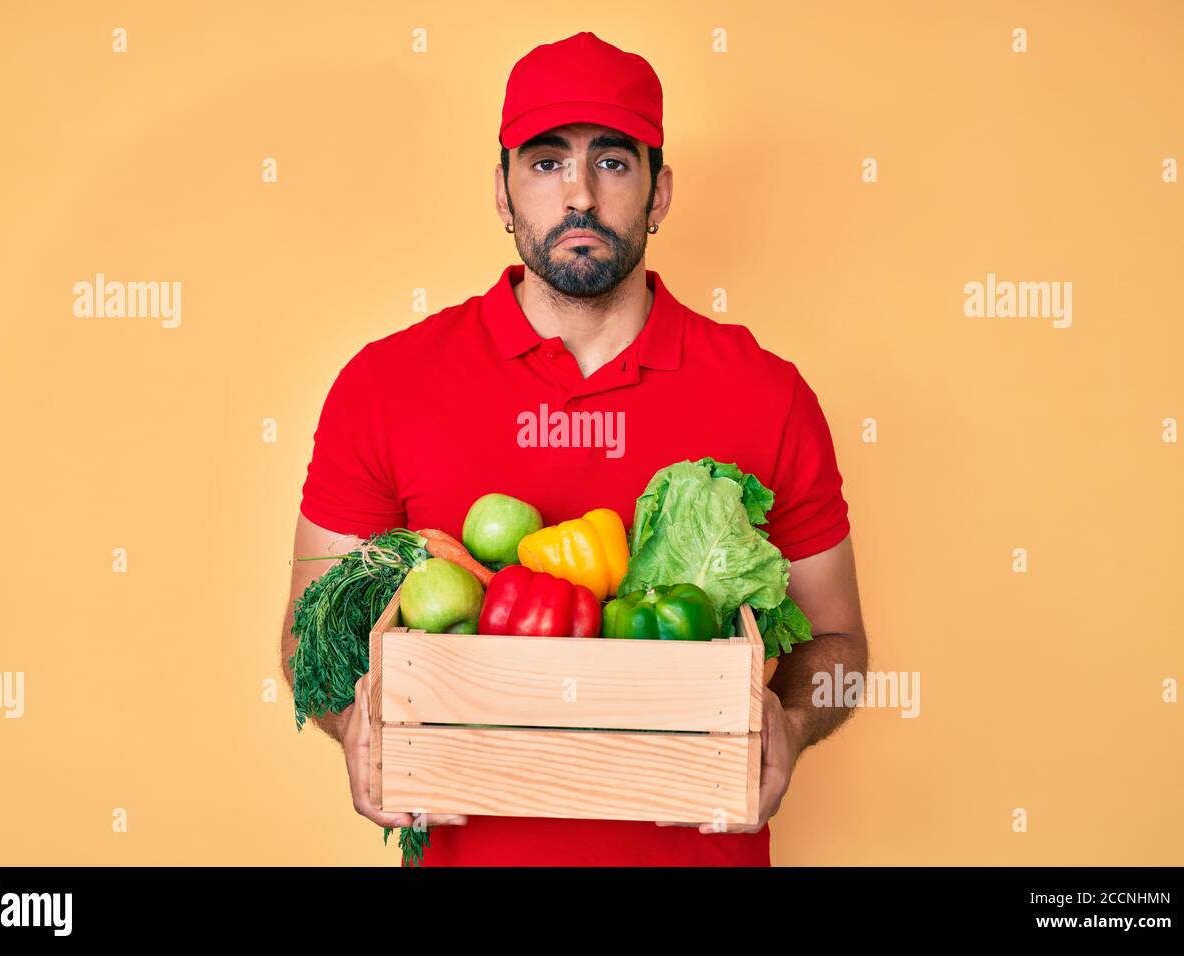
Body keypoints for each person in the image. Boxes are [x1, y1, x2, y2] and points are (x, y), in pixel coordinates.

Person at [280, 30, 868, 866]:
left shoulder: (767, 394)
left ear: (660, 194)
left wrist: (794, 721)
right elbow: (309, 637)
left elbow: (839, 640)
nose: (580, 196)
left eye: (615, 163)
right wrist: (357, 726)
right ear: (503, 190)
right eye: (547, 163)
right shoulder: (385, 386)